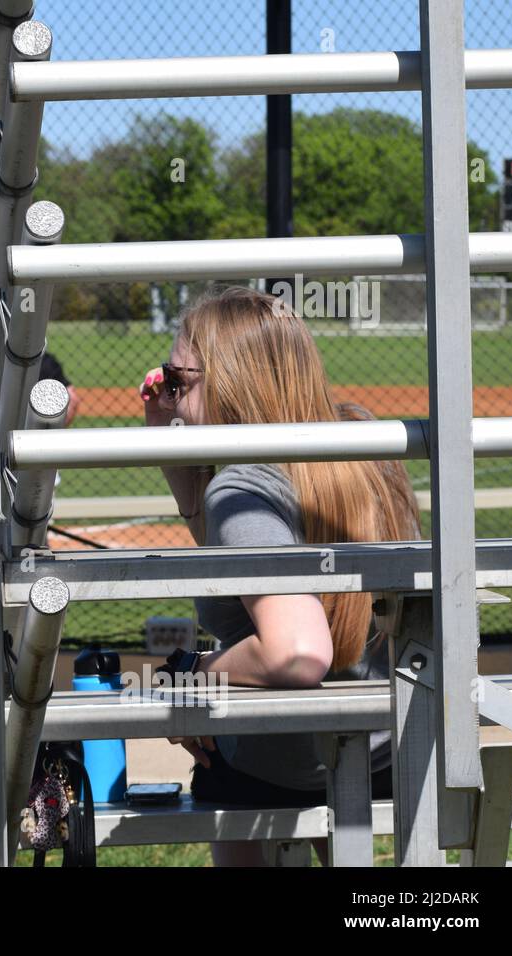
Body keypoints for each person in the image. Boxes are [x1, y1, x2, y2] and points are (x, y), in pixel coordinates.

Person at [139, 285, 421, 867]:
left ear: (230, 380)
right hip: (383, 748)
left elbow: (295, 653)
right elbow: (248, 557)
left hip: (276, 761)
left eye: (178, 377)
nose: (167, 387)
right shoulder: (362, 441)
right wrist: (178, 452)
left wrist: (193, 675)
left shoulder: (242, 483)